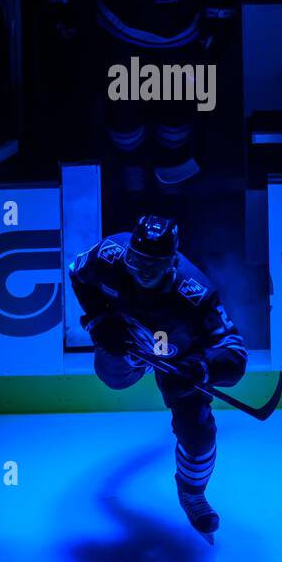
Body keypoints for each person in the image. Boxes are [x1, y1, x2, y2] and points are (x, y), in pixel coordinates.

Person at [68, 215, 247, 541]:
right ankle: (135, 358)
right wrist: (98, 318)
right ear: (127, 253)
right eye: (136, 261)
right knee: (111, 375)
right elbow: (78, 273)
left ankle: (192, 493)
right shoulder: (109, 253)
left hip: (182, 359)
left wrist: (200, 369)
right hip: (129, 342)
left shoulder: (196, 293)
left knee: (198, 433)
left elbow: (235, 355)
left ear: (173, 262)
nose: (142, 273)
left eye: (155, 265)